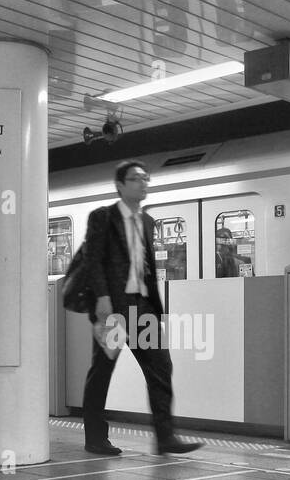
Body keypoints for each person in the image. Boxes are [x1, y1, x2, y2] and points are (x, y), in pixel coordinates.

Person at [80, 160, 200, 456]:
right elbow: (93, 261)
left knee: (160, 366)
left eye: (145, 178)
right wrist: (103, 298)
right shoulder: (103, 217)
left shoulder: (147, 221)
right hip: (114, 310)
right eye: (136, 178)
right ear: (120, 185)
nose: (143, 183)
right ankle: (96, 437)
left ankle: (165, 437)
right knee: (103, 370)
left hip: (142, 307)